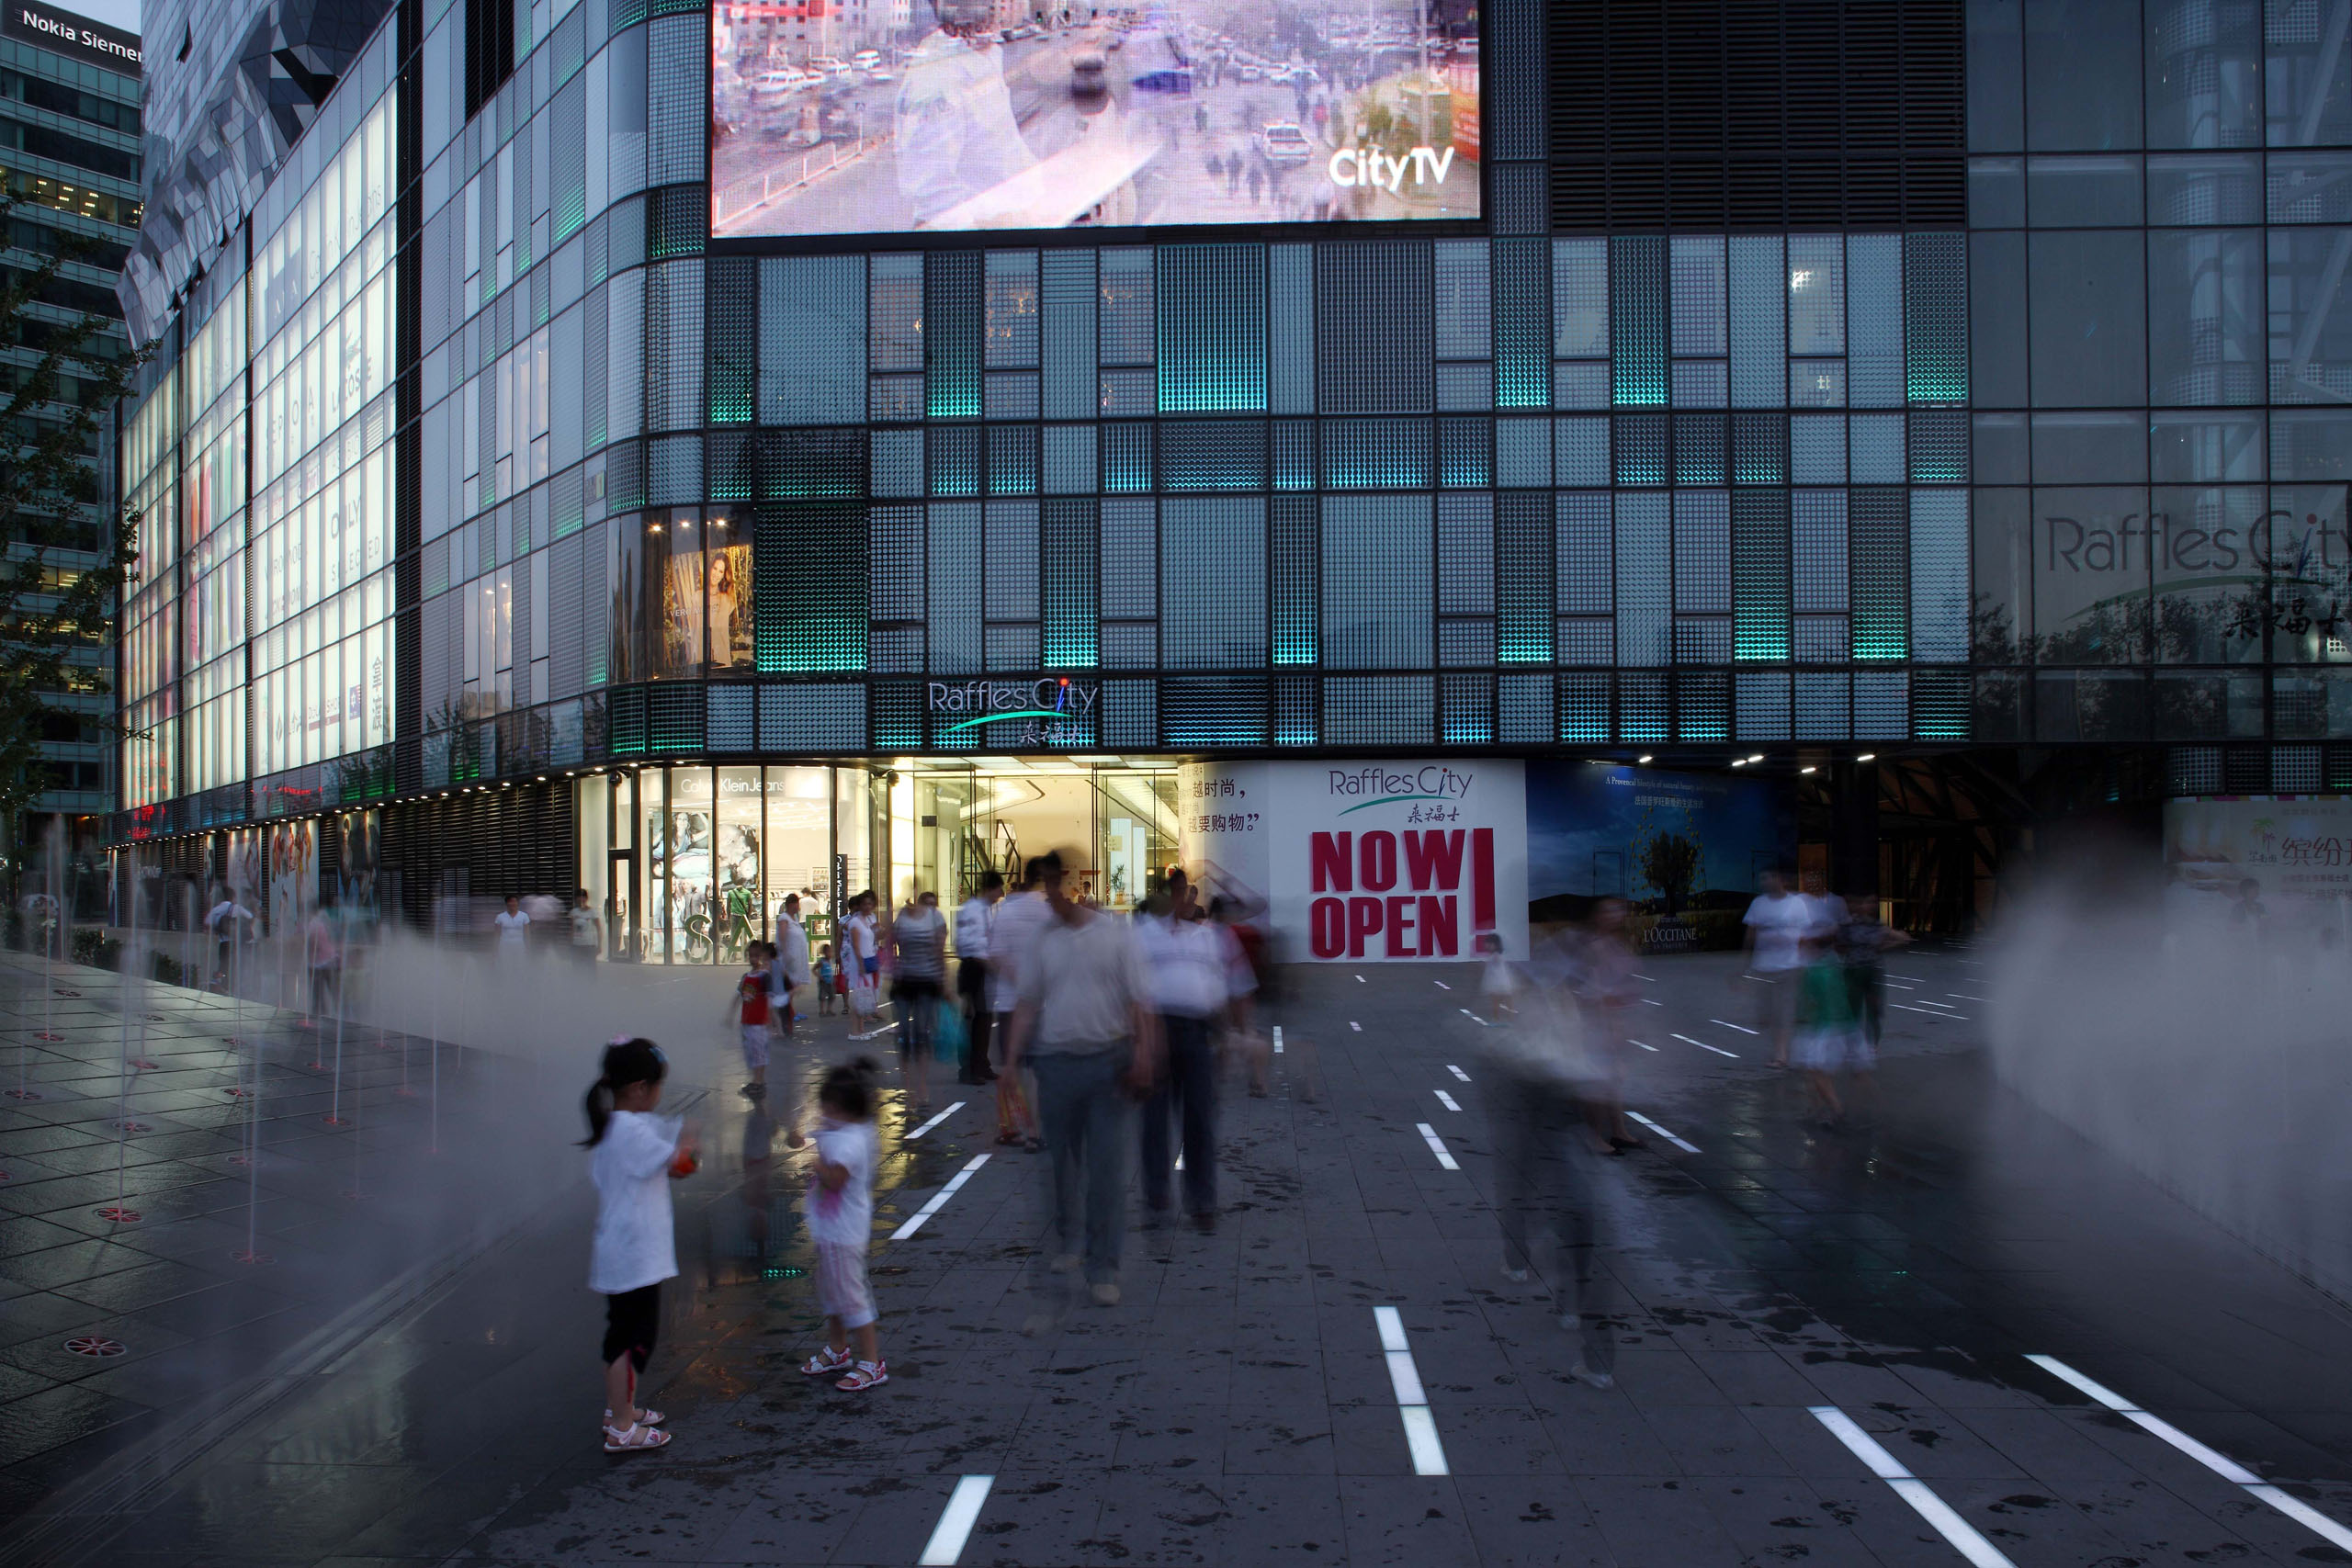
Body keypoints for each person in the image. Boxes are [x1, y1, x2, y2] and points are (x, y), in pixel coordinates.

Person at [1007, 852, 1160, 1306]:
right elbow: (1027, 1002)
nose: (1049, 895)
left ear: (1071, 885)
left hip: (1107, 1062)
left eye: (1054, 885)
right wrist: (1010, 1063)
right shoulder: (1042, 940)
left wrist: (1144, 1054)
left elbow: (1139, 1002)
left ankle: (1103, 1266)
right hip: (1055, 1064)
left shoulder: (1115, 936)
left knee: (1106, 1168)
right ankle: (1069, 1239)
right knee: (1061, 1163)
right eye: (1043, 886)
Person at [1483, 923, 1617, 1388]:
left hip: (1538, 1101)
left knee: (1526, 1188)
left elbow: (1519, 1052)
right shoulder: (1577, 1003)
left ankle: (1521, 1264)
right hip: (1567, 1106)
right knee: (1576, 1209)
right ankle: (1579, 1321)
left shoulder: (1538, 1001)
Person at [583, 1037, 693, 1452]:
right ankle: (622, 1428)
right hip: (634, 1254)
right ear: (639, 1088)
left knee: (623, 1336)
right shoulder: (630, 1131)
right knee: (631, 1342)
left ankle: (620, 1408)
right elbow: (681, 1165)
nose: (661, 1093)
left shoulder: (618, 1125)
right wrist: (692, 1143)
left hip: (624, 1250)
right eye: (659, 1085)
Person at [1136, 887, 1244, 1233]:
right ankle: (1157, 1194)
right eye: (1177, 896)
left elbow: (1220, 985)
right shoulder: (1144, 936)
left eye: (1188, 897)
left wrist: (1224, 1036)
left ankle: (1202, 1202)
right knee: (1154, 1119)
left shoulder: (1207, 939)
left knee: (1199, 1119)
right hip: (1158, 1030)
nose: (1183, 902)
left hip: (1197, 1032)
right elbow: (1133, 989)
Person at [799, 1058, 887, 1389]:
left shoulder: (851, 1140)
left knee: (851, 1297)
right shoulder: (850, 1128)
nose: (823, 1113)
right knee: (831, 1291)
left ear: (841, 1109)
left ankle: (872, 1363)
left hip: (844, 1234)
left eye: (827, 1108)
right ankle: (838, 1349)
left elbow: (836, 1179)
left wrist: (816, 1163)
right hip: (832, 1232)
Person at [989, 858, 1054, 1149]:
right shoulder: (1048, 912)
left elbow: (996, 955)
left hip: (1010, 1002)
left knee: (1013, 1065)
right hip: (1040, 1003)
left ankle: (1014, 1127)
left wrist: (1017, 980)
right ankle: (1036, 1132)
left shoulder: (1007, 911)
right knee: (1038, 1068)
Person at [1743, 869, 1823, 1068]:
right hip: (1764, 967)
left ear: (1780, 879)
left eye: (1769, 877)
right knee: (1767, 1014)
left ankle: (1781, 1055)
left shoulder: (1796, 903)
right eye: (1762, 878)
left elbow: (1805, 934)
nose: (1765, 881)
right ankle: (1780, 1048)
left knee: (1784, 1011)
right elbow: (1751, 934)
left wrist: (1809, 960)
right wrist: (1744, 965)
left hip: (1790, 965)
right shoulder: (1759, 904)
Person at [892, 890, 947, 1114]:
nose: (931, 907)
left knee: (922, 1034)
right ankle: (909, 1090)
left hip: (926, 982)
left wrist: (942, 982)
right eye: (928, 903)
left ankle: (922, 1087)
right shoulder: (903, 917)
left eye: (934, 903)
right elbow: (892, 942)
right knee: (904, 1036)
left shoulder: (937, 918)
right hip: (904, 982)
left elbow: (940, 950)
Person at [1834, 892, 1909, 1052]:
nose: (1867, 906)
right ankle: (1853, 1041)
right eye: (1866, 903)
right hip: (1854, 969)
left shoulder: (1876, 926)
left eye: (1871, 903)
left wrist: (1882, 947)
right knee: (1853, 1007)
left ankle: (1872, 1043)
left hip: (1871, 969)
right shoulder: (1849, 925)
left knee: (1873, 1008)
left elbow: (1903, 938)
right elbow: (1838, 945)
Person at [954, 870, 1003, 1086]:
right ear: (989, 888)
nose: (1000, 894)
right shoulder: (972, 910)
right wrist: (991, 965)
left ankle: (981, 1063)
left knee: (984, 1018)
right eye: (998, 889)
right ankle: (967, 1068)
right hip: (973, 968)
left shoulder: (986, 910)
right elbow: (969, 945)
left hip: (982, 969)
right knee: (972, 1020)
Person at [732, 942, 773, 1099]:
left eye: (756, 955)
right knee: (750, 1052)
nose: (753, 959)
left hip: (759, 1022)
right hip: (747, 1021)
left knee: (759, 1052)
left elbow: (770, 999)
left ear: (762, 957)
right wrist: (731, 1014)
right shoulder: (746, 977)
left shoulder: (764, 977)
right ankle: (756, 1080)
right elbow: (738, 996)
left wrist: (771, 1020)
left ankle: (759, 1082)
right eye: (751, 955)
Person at [774, 893, 814, 1035]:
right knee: (788, 987)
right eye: (794, 904)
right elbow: (782, 938)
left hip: (797, 958)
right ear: (789, 905)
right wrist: (785, 954)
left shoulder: (795, 919)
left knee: (792, 986)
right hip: (789, 959)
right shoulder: (784, 918)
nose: (796, 906)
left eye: (797, 903)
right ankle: (783, 1014)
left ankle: (789, 1011)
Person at [842, 892, 881, 1031]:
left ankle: (861, 1029)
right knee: (858, 997)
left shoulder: (868, 920)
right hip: (860, 963)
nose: (867, 907)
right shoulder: (855, 922)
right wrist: (860, 964)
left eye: (870, 904)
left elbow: (876, 937)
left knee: (864, 995)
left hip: (867, 961)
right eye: (864, 904)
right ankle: (855, 1031)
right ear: (859, 906)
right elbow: (856, 945)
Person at [206, 886, 254, 989]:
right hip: (235, 943)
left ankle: (221, 982)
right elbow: (250, 916)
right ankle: (230, 985)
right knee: (234, 965)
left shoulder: (216, 909)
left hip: (223, 942)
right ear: (233, 897)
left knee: (223, 963)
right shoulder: (237, 907)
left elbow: (207, 922)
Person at [305, 895, 341, 1017]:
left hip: (319, 963)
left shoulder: (313, 923)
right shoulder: (323, 920)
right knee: (333, 991)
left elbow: (313, 943)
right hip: (329, 960)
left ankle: (319, 1016)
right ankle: (341, 1015)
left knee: (318, 993)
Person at [570, 888, 603, 966]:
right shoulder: (574, 912)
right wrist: (570, 943)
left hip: (589, 945)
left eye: (583, 897)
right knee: (577, 967)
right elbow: (572, 929)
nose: (581, 899)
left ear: (586, 898)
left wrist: (599, 945)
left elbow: (599, 929)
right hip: (577, 944)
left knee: (590, 967)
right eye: (579, 897)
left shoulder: (592, 912)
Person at [495, 895, 531, 962]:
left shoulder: (524, 916)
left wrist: (528, 948)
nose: (512, 903)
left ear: (518, 903)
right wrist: (495, 950)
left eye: (515, 901)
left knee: (519, 964)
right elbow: (497, 935)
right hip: (504, 945)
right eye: (510, 902)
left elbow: (527, 934)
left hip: (519, 945)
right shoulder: (500, 917)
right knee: (505, 963)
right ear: (506, 904)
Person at [816, 943, 838, 1016]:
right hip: (823, 981)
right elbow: (814, 970)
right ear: (824, 953)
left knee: (832, 996)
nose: (830, 954)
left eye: (831, 952)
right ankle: (821, 1010)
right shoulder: (821, 961)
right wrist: (819, 976)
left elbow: (830, 971)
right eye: (828, 952)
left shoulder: (830, 961)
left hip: (830, 981)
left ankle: (829, 1009)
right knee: (822, 996)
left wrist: (833, 978)